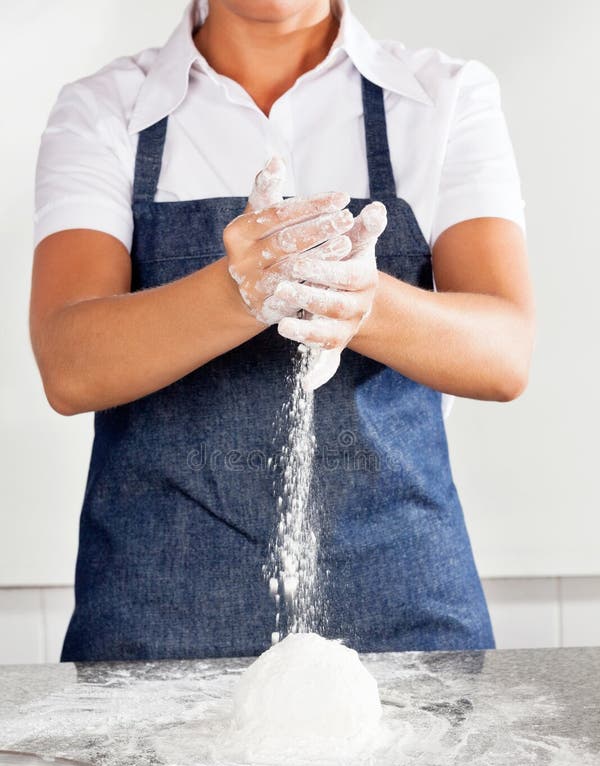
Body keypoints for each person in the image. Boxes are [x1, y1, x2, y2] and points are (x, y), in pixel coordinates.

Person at [30, 0, 535, 661]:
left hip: (404, 623)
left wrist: (363, 301)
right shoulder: (104, 112)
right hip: (154, 626)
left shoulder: (441, 99)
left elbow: (504, 355)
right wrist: (239, 291)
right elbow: (71, 366)